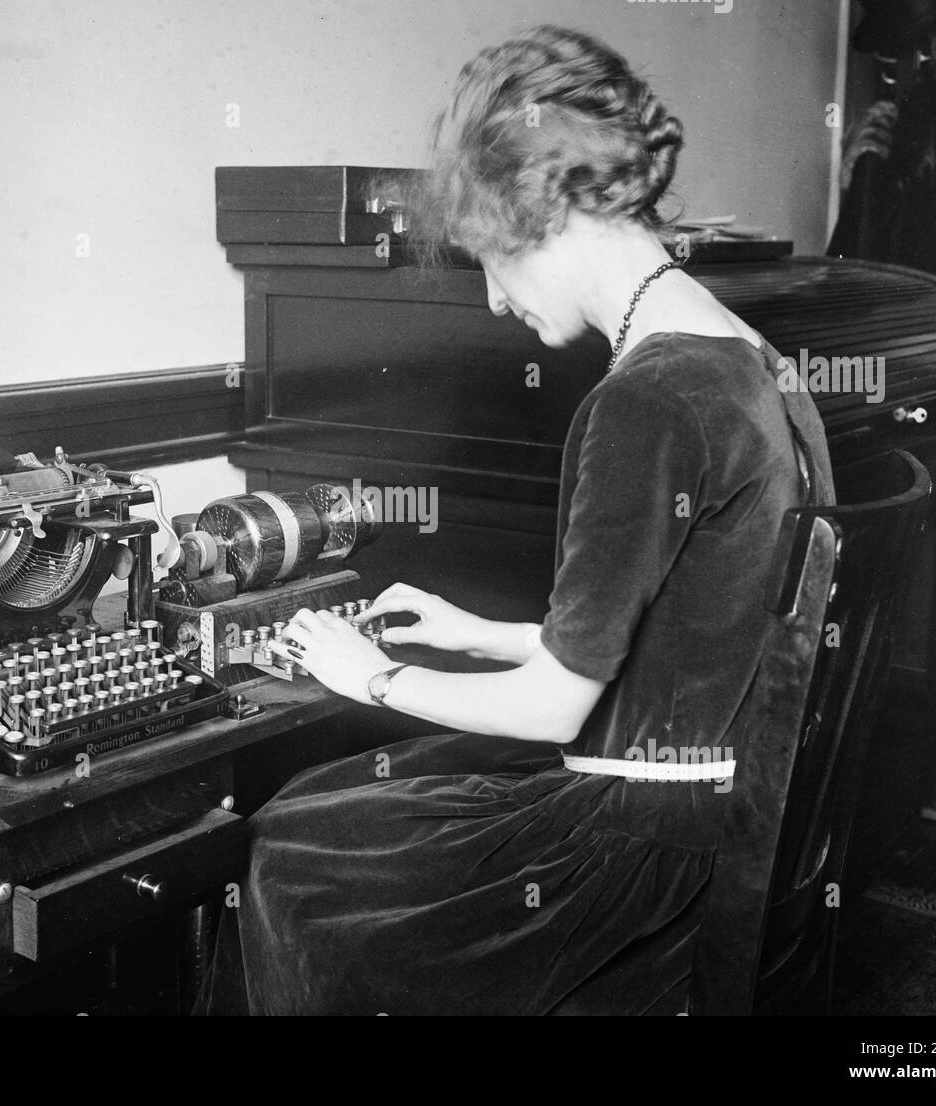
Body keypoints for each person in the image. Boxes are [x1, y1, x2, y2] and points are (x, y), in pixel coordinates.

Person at [195, 24, 834, 1016]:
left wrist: (366, 674)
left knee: (290, 852)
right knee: (332, 810)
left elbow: (553, 710)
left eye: (492, 258)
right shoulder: (748, 355)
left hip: (630, 852)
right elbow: (699, 634)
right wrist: (477, 632)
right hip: (704, 807)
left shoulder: (642, 403)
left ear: (549, 216)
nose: (494, 299)